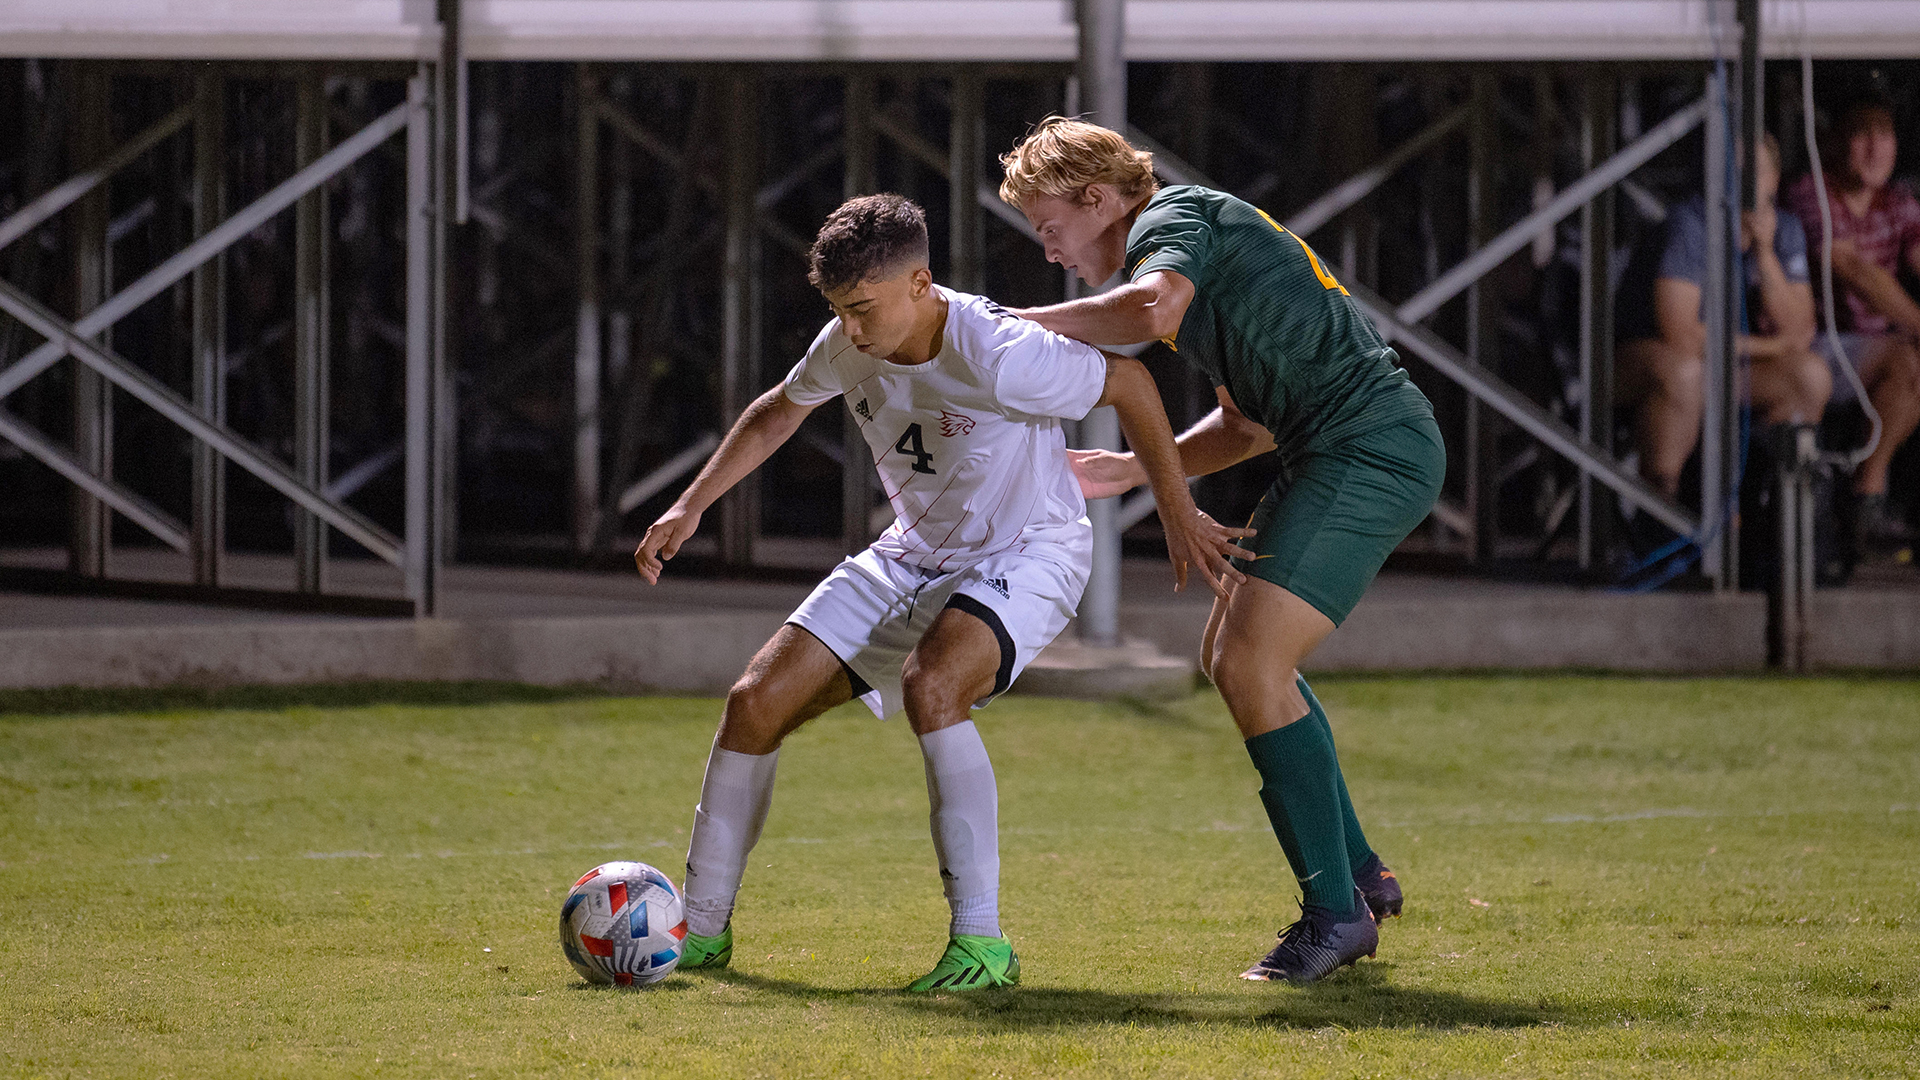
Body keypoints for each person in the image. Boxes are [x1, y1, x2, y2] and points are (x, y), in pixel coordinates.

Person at [634, 194, 1240, 992]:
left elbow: (1130, 382)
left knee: (935, 683)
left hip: (1029, 550)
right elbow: (778, 410)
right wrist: (691, 504)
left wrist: (1174, 507)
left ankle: (982, 944)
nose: (851, 329)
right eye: (838, 311)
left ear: (921, 283)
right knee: (755, 703)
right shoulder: (848, 341)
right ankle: (703, 931)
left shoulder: (1000, 352)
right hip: (913, 552)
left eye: (863, 308)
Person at [997, 118, 1445, 984]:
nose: (1049, 251)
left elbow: (1146, 310)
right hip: (1337, 449)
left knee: (1250, 662)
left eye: (1051, 228)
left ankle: (1336, 916)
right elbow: (1244, 426)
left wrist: (1011, 328)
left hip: (1371, 449)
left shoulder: (1170, 224)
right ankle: (1359, 875)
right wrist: (1136, 468)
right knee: (1231, 657)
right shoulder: (1186, 247)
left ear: (1099, 200)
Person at [1614, 134, 1831, 506]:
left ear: (1775, 179)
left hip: (1726, 368)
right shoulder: (1690, 224)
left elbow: (1800, 331)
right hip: (1645, 363)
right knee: (1684, 373)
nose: (1745, 182)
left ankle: (1767, 501)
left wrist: (1765, 253)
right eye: (1736, 170)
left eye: (1757, 172)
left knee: (1811, 375)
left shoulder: (1786, 229)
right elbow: (1681, 336)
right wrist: (1772, 347)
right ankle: (1662, 512)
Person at [1785, 93, 1920, 543]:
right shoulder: (1811, 193)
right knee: (1906, 359)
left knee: (1910, 364)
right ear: (1835, 141)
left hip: (1875, 350)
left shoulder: (1897, 200)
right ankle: (1866, 497)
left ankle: (1868, 499)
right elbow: (1854, 270)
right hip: (1814, 346)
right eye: (1863, 134)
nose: (1875, 148)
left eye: (1885, 134)